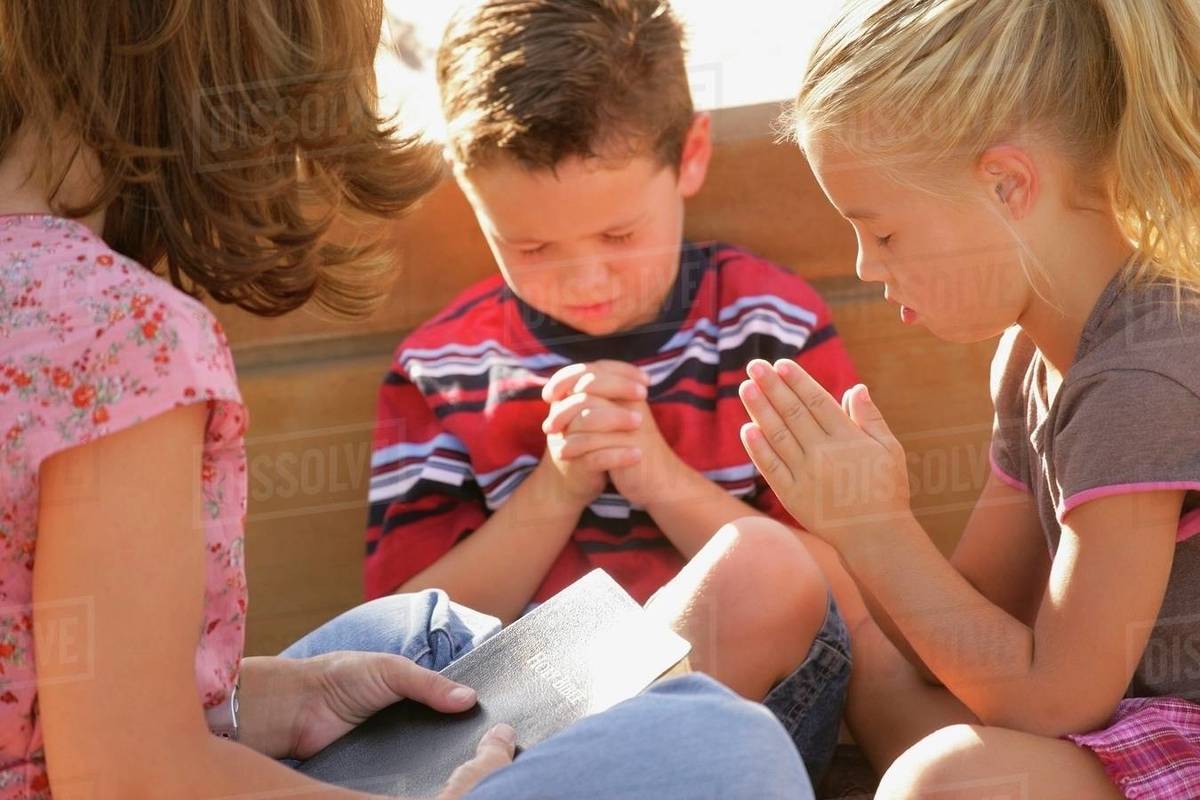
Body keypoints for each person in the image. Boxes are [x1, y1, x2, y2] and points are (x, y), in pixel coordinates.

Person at [0, 2, 816, 798]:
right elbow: (132, 777)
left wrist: (277, 700)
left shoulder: (61, 308)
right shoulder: (119, 333)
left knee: (414, 632)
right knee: (724, 744)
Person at [365, 4, 857, 778]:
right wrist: (556, 489)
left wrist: (661, 481)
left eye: (619, 237)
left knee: (759, 565)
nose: (585, 279)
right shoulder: (441, 370)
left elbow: (842, 585)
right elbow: (400, 638)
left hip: (735, 734)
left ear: (690, 155)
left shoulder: (770, 331)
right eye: (530, 247)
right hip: (518, 745)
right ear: (471, 195)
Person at [740, 0, 1200, 797]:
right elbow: (974, 621)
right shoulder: (1031, 357)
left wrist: (878, 532)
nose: (864, 267)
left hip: (1172, 731)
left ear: (1007, 184)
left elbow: (1056, 696)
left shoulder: (1142, 381)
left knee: (947, 780)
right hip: (1118, 721)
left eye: (883, 233)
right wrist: (857, 525)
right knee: (848, 645)